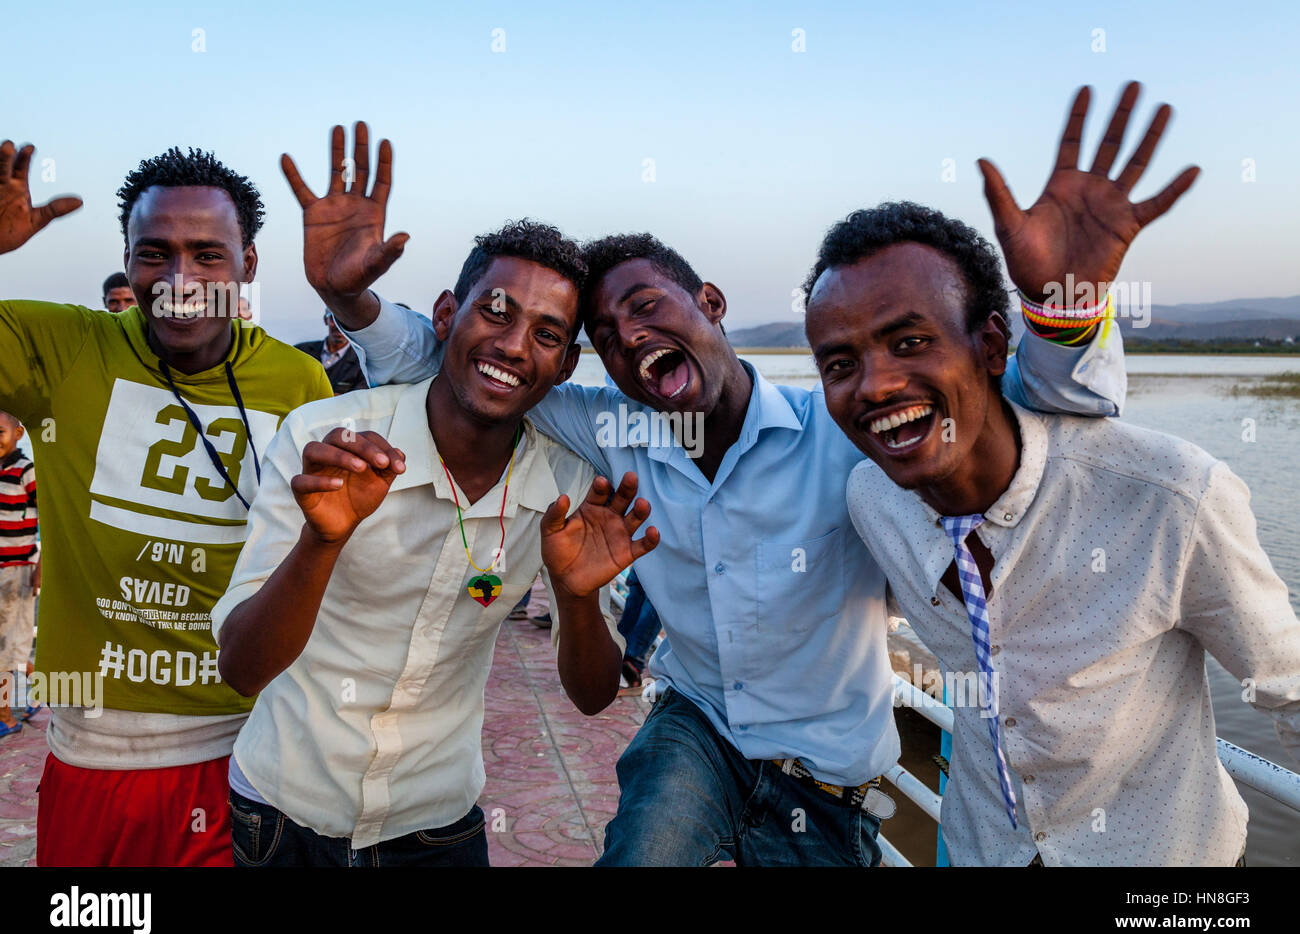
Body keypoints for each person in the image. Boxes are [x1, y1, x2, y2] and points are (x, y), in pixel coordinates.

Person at [308, 82, 1161, 866]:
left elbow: (1006, 405)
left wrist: (1067, 305)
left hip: (829, 776)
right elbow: (468, 365)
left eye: (647, 306)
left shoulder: (842, 431)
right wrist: (354, 305)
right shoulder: (617, 426)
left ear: (708, 303)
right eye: (605, 334)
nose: (630, 337)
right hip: (696, 730)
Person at [805, 195, 1300, 866]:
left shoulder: (1169, 499)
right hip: (986, 848)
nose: (875, 384)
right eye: (840, 364)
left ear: (988, 343)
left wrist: (1067, 318)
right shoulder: (873, 498)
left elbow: (1290, 688)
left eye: (909, 342)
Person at [213, 207, 645, 864]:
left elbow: (592, 697)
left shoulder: (566, 486)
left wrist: (580, 596)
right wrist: (320, 545)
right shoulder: (325, 441)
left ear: (566, 365)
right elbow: (242, 669)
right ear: (447, 313)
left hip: (437, 824)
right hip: (284, 811)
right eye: (496, 312)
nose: (512, 345)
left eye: (547, 334)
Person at [0, 138, 333, 866]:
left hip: (250, 758)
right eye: (154, 254)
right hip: (93, 758)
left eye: (208, 254)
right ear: (126, 258)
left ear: (248, 264)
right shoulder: (61, 345)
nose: (180, 278)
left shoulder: (300, 382)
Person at [0, 411, 39, 735]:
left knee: (4, 647)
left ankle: (5, 718)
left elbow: (52, 518)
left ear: (19, 433)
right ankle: (38, 693)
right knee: (13, 646)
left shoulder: (25, 470)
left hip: (19, 569)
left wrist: (42, 566)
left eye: (0, 432)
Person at [295, 310, 368, 394]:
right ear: (326, 320)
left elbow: (360, 398)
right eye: (334, 319)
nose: (338, 326)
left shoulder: (364, 363)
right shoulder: (300, 352)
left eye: (345, 320)